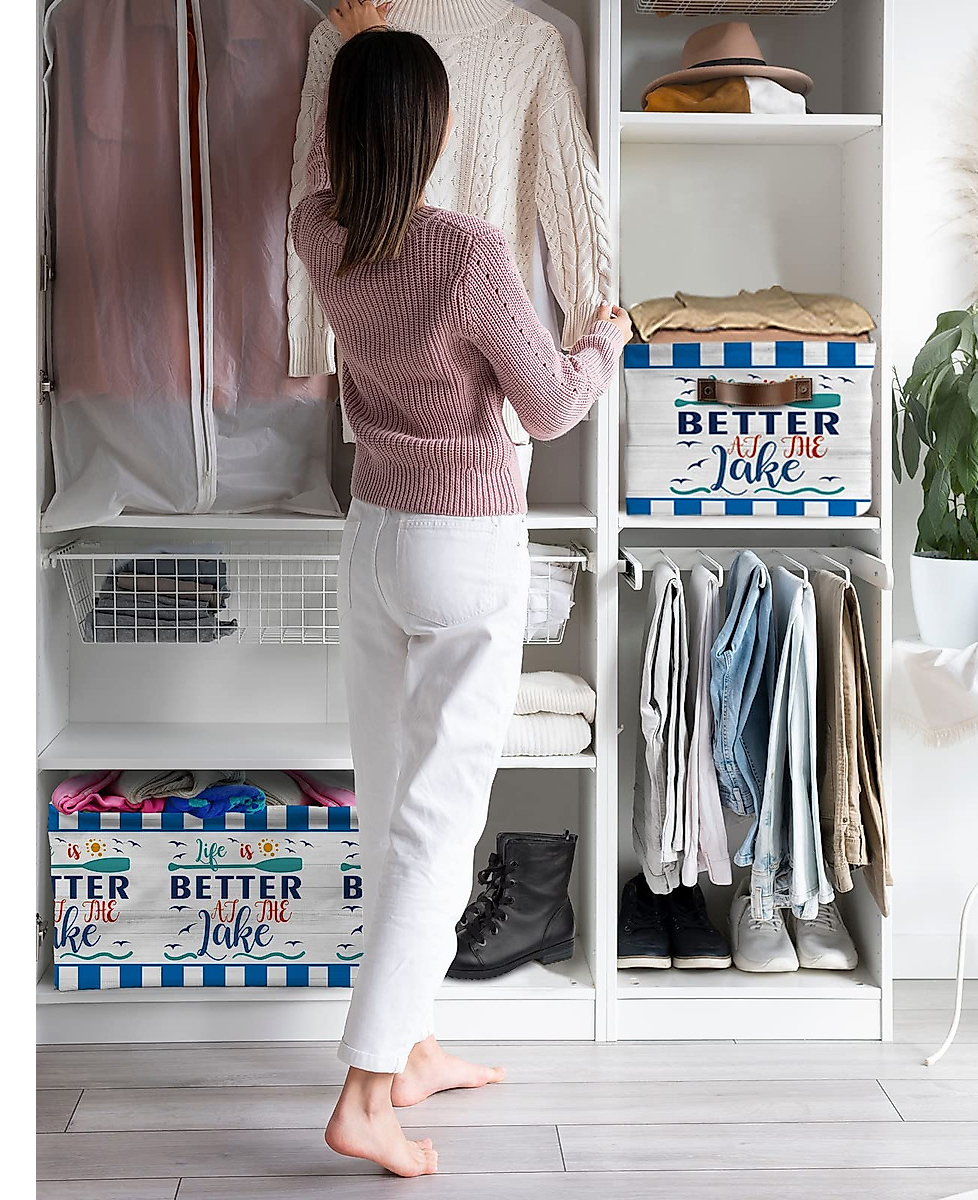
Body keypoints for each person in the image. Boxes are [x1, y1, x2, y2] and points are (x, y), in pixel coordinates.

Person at [289, 0, 629, 1178]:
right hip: (463, 539)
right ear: (433, 131)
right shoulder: (470, 252)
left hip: (375, 533)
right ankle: (365, 1093)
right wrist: (605, 338)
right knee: (439, 823)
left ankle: (415, 1044)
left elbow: (334, 180)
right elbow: (551, 403)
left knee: (393, 797)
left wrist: (354, 50)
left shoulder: (319, 230)